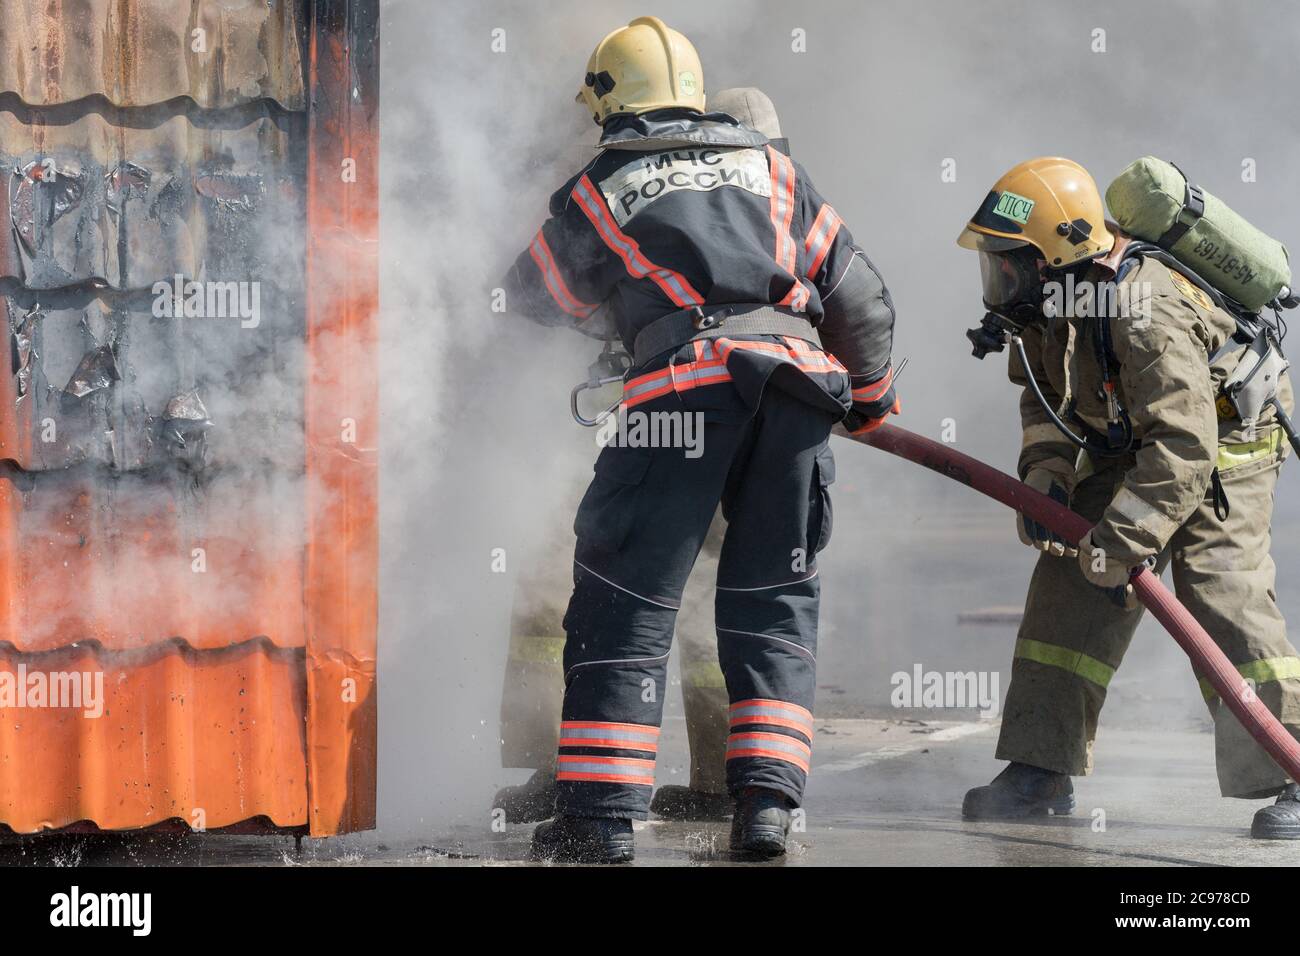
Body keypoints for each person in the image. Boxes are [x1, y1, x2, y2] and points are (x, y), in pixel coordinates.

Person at [503, 17, 898, 862]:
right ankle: (764, 812)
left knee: (628, 601)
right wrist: (867, 402)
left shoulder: (603, 182)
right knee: (774, 602)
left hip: (681, 398)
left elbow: (534, 300)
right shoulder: (777, 170)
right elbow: (860, 299)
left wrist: (632, 312)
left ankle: (600, 822)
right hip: (795, 399)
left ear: (610, 101)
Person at [955, 156, 1300, 840]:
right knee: (1066, 580)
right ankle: (1040, 767)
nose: (999, 283)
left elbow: (1186, 446)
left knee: (1219, 591)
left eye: (1009, 265)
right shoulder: (1050, 301)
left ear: (1055, 254)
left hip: (1225, 441)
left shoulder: (1144, 310)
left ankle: (1288, 767)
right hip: (1134, 439)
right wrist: (1046, 477)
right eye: (994, 265)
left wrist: (1121, 542)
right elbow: (1044, 399)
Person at [494, 88, 798, 829]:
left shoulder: (698, 189)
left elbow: (540, 292)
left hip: (684, 419)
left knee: (652, 593)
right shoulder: (766, 196)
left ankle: (606, 784)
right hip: (714, 419)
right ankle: (709, 785)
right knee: (708, 596)